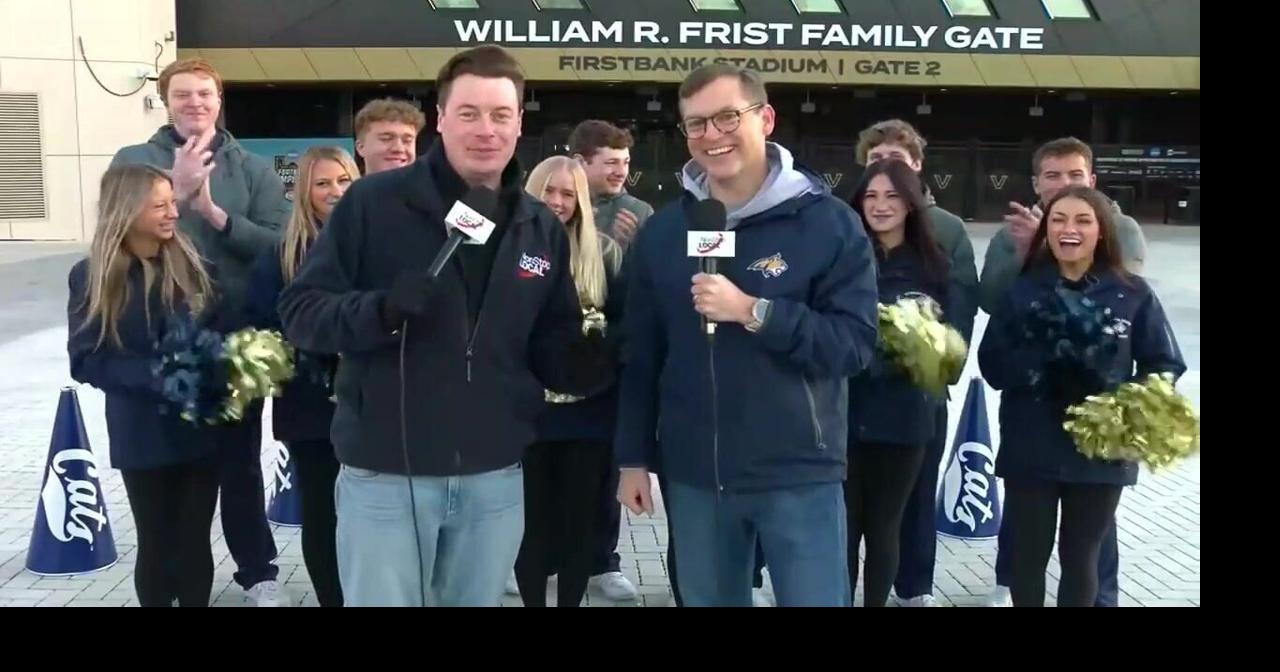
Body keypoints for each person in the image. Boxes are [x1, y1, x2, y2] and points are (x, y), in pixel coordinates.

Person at [277, 45, 615, 607]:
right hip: (387, 474)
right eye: (469, 113)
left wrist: (598, 356)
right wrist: (379, 310)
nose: (487, 130)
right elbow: (302, 312)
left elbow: (550, 346)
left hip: (495, 478)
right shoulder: (374, 203)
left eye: (501, 115)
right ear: (440, 119)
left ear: (518, 123)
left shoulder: (537, 227)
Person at [614, 63, 879, 607]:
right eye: (696, 124)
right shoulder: (666, 232)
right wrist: (632, 458)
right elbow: (641, 355)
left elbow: (852, 345)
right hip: (695, 475)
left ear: (767, 119)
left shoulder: (828, 224)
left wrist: (757, 311)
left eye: (727, 117)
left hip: (799, 471)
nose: (712, 136)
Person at [110, 57, 290, 607]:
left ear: (219, 99)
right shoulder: (135, 162)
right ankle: (171, 580)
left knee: (237, 464)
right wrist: (178, 198)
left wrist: (211, 212)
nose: (195, 103)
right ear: (166, 102)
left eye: (205, 94)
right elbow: (117, 233)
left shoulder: (252, 168)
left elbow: (279, 246)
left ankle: (257, 572)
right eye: (183, 94)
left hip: (234, 344)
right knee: (171, 476)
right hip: (159, 340)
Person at [977, 185, 1184, 607]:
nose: (1069, 229)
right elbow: (992, 366)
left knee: (1082, 556)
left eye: (1082, 220)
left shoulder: (1132, 293)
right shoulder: (1022, 291)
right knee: (1028, 555)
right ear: (1046, 231)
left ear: (1102, 232)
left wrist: (1133, 407)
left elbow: (1164, 363)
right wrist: (1039, 364)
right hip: (1031, 443)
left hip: (1101, 450)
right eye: (1058, 220)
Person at [67, 164, 224, 606]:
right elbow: (87, 360)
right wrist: (159, 378)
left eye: (172, 202)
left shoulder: (193, 264)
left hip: (199, 428)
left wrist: (226, 365)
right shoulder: (93, 276)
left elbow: (221, 330)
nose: (173, 212)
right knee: (156, 543)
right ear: (128, 210)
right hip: (141, 434)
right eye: (160, 205)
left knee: (194, 541)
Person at [855, 119, 979, 607]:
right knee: (848, 516)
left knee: (907, 508)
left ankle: (914, 588)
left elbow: (960, 319)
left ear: (916, 175)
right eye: (873, 175)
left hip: (914, 404)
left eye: (896, 170)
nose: (882, 200)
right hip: (849, 406)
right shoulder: (845, 239)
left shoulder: (943, 238)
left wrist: (930, 359)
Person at [245, 147, 360, 607]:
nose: (335, 192)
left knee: (367, 513)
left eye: (344, 181)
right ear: (304, 192)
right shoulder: (282, 253)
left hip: (370, 405)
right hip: (308, 408)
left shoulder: (373, 243)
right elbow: (259, 325)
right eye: (323, 183)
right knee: (322, 513)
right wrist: (313, 341)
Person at [511, 156, 626, 607]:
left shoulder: (607, 253)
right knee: (532, 524)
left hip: (589, 413)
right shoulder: (511, 247)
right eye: (549, 191)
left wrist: (596, 353)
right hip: (529, 413)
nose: (558, 202)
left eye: (567, 193)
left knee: (581, 522)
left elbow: (625, 327)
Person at [845, 159, 955, 607]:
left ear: (911, 203)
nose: (880, 205)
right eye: (871, 196)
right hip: (847, 413)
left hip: (906, 417)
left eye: (892, 196)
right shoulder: (845, 255)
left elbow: (949, 343)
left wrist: (915, 348)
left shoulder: (934, 265)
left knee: (886, 525)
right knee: (845, 525)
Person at [570, 119, 655, 251]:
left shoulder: (640, 213)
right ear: (579, 163)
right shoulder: (560, 206)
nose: (621, 173)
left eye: (626, 163)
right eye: (611, 162)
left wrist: (630, 246)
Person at [353, 98, 426, 174]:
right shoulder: (348, 186)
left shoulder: (433, 185)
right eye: (386, 139)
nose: (399, 148)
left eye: (407, 141)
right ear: (360, 147)